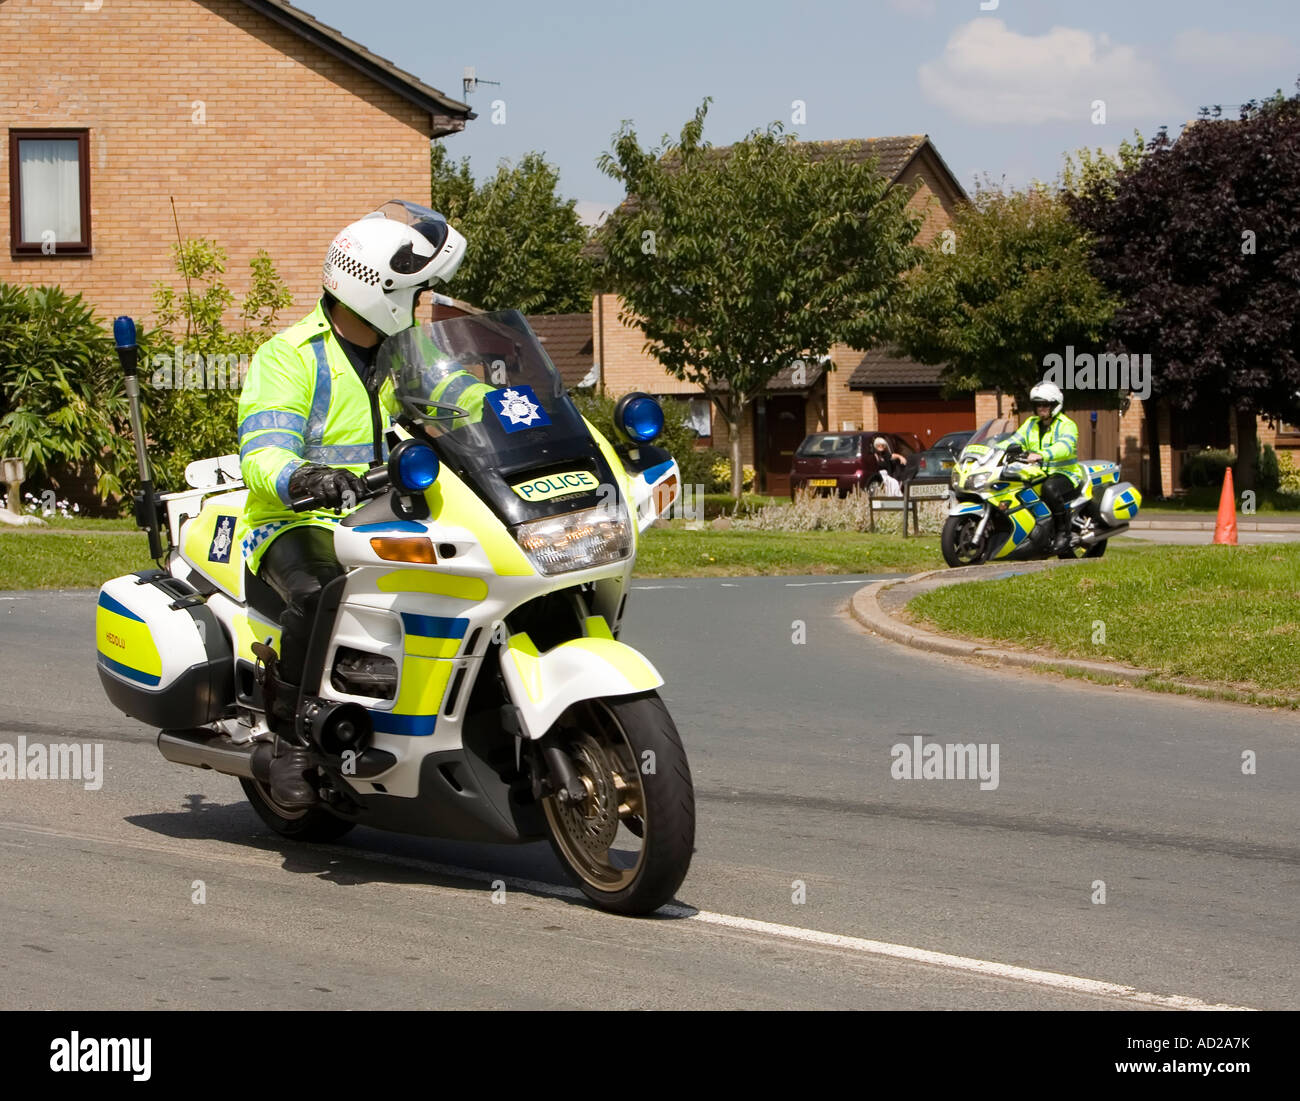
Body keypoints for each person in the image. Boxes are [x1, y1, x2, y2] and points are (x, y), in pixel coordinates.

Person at [236, 200, 467, 808]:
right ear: (378, 291)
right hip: (295, 521)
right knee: (321, 595)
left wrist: (520, 413)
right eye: (414, 295)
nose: (419, 308)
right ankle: (291, 745)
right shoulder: (289, 357)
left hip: (377, 512)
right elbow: (260, 457)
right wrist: (306, 478)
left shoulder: (403, 356)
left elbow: (466, 398)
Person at [1009, 380, 1084, 554]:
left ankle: (1063, 534)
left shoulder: (1067, 424)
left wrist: (1042, 454)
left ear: (1055, 405)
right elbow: (1013, 440)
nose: (1041, 408)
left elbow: (1065, 447)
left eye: (1045, 404)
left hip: (1065, 474)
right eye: (1038, 404)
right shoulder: (1030, 424)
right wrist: (995, 449)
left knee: (1049, 488)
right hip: (1038, 473)